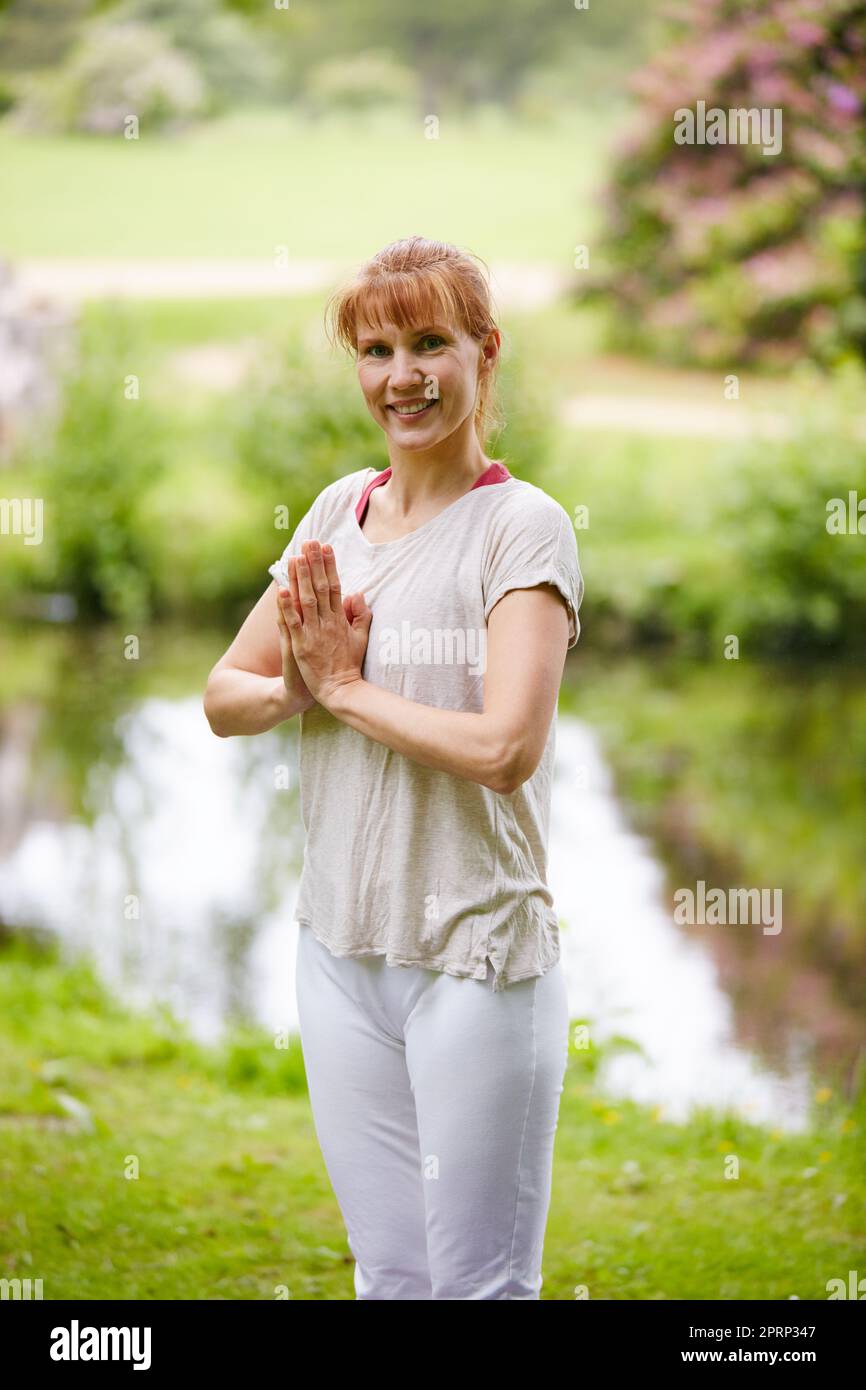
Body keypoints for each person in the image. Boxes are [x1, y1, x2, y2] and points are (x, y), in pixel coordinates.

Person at [204, 236, 583, 1300]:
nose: (400, 376)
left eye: (428, 343)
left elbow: (505, 751)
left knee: (478, 1287)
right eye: (376, 350)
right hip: (339, 952)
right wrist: (293, 687)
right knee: (389, 1275)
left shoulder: (523, 530)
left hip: (473, 960)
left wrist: (346, 692)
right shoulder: (339, 513)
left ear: (483, 351)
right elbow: (223, 692)